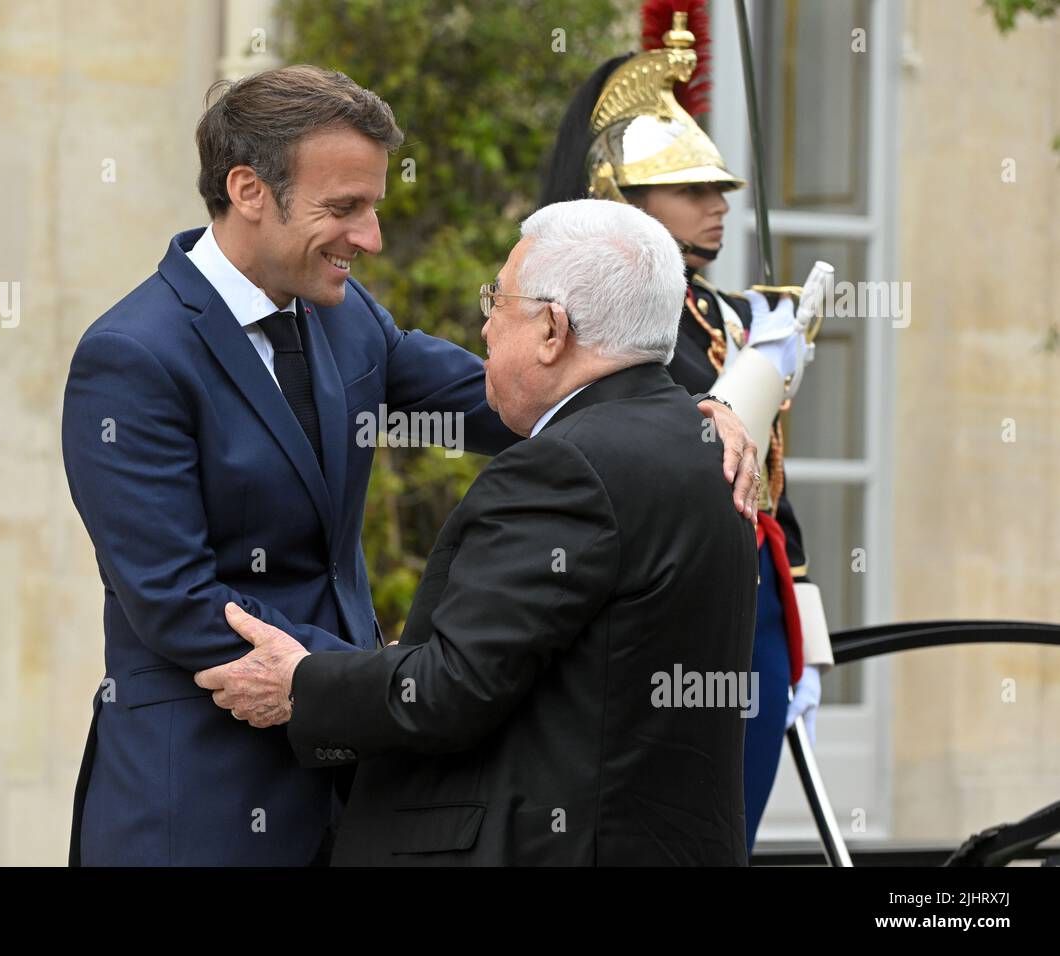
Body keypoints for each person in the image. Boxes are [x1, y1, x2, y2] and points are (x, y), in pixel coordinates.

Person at [61, 65, 760, 866]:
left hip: (356, 778)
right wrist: (376, 684)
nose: (371, 238)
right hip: (200, 795)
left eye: (375, 207)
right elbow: (175, 599)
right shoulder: (131, 356)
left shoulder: (345, 314)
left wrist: (683, 411)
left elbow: (521, 393)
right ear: (249, 189)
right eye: (344, 208)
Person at [195, 198, 758, 866]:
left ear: (553, 329)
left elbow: (450, 689)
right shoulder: (705, 445)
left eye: (497, 300)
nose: (485, 326)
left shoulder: (564, 467)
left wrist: (300, 683)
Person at [536, 0, 835, 849]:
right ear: (618, 196)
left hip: (752, 595)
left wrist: (801, 601)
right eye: (691, 188)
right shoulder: (601, 316)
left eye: (720, 189)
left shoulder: (736, 313)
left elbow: (771, 480)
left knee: (730, 830)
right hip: (661, 593)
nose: (718, 206)